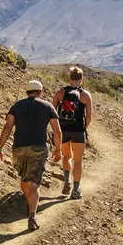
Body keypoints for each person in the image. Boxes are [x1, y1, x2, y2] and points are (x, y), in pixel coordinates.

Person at [0, 79, 62, 231]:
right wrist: (58, 150)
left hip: (19, 148)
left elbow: (7, 127)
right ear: (40, 92)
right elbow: (57, 131)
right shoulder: (47, 106)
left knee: (24, 179)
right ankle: (32, 216)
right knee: (34, 183)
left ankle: (29, 203)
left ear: (26, 92)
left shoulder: (17, 106)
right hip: (39, 148)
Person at [51, 66, 93, 199]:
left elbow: (52, 111)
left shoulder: (60, 92)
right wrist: (83, 127)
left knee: (66, 157)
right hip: (78, 131)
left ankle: (67, 182)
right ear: (81, 79)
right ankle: (75, 190)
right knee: (78, 161)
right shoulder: (85, 95)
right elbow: (89, 117)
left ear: (69, 78)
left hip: (63, 130)